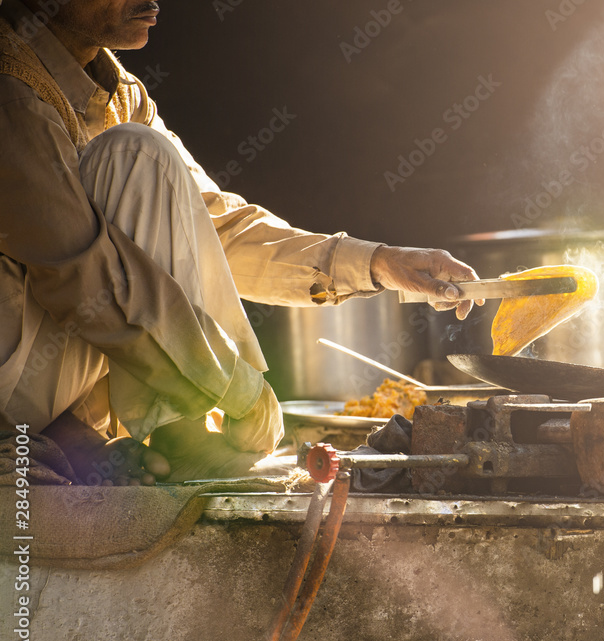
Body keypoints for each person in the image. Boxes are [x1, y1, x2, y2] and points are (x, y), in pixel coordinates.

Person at [0, 0, 482, 486]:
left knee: (140, 157)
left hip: (52, 382)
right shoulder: (12, 93)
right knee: (136, 154)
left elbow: (214, 227)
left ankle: (158, 431)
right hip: (12, 387)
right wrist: (234, 388)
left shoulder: (117, 91)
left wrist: (379, 264)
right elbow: (82, 278)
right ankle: (179, 429)